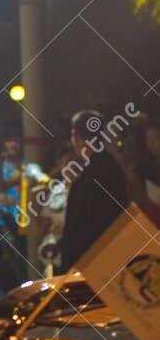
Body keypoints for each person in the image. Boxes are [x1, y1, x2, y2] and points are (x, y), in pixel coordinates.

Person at [57, 110, 128, 272]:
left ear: (76, 135)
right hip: (112, 254)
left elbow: (84, 224)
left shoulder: (89, 175)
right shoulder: (112, 168)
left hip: (90, 261)